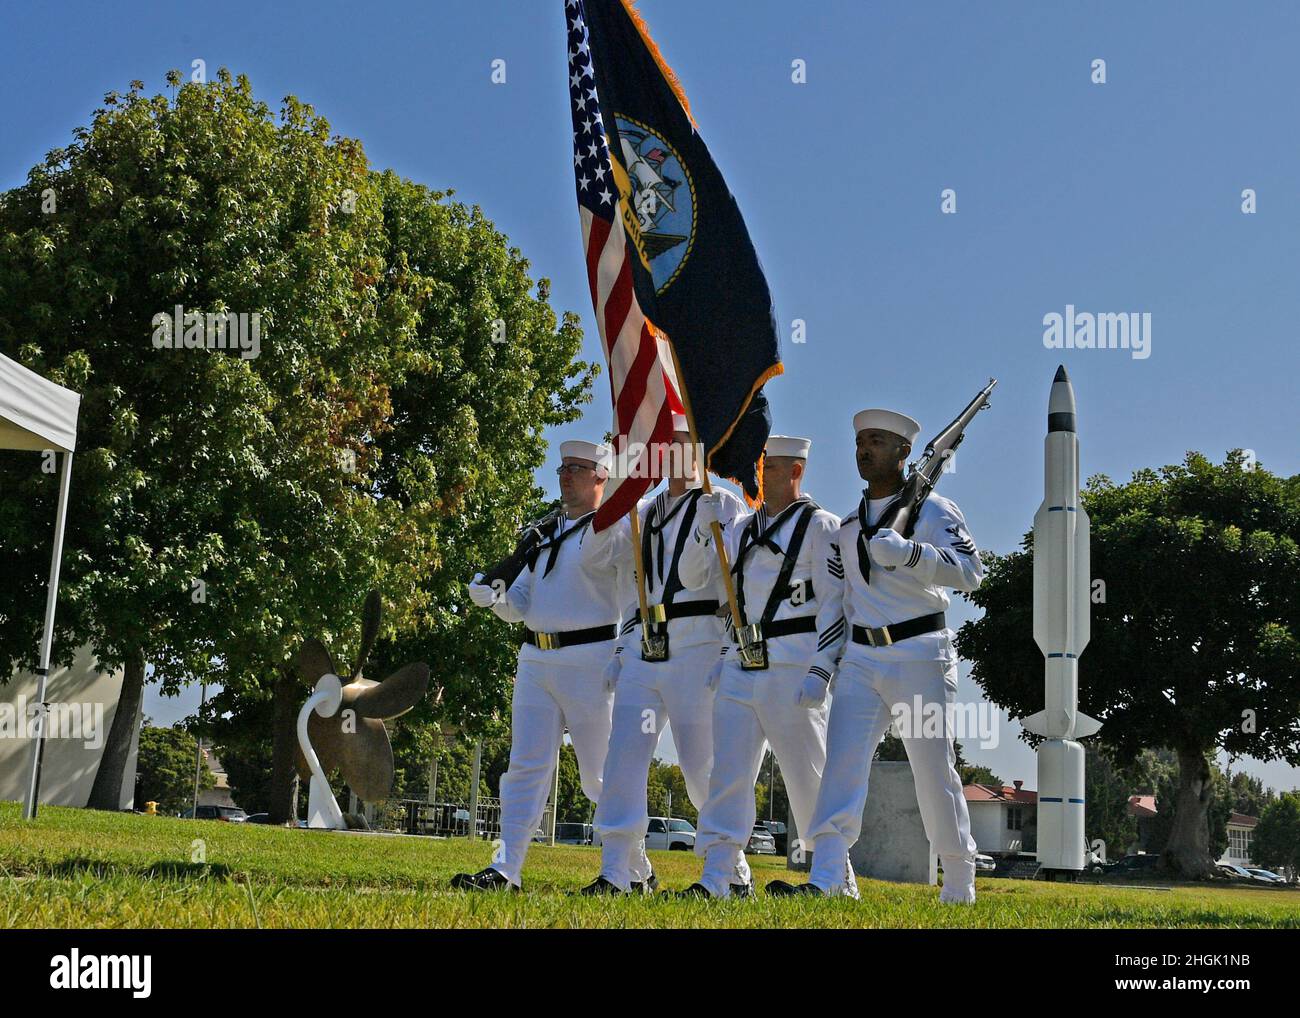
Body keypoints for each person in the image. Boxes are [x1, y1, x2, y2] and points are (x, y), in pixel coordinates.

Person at [767, 409, 983, 904]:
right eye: (861, 440)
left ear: (906, 452)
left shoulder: (935, 511)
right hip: (862, 659)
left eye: (878, 441)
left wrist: (912, 556)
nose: (865, 449)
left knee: (933, 773)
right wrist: (822, 668)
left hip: (920, 654)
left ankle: (957, 880)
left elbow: (971, 571)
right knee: (840, 771)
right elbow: (838, 604)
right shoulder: (846, 527)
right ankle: (826, 879)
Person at [664, 435, 859, 899]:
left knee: (808, 775)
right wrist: (699, 530)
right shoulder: (742, 529)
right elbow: (695, 579)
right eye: (759, 462)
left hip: (794, 662)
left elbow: (836, 605)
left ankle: (834, 874)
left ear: (796, 472)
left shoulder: (822, 527)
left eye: (769, 466)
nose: (759, 471)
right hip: (739, 663)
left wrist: (822, 668)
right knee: (726, 775)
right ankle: (721, 873)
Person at [574, 415, 751, 895]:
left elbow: (733, 575)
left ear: (700, 448)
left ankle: (729, 868)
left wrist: (713, 528)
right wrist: (616, 492)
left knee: (702, 769)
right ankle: (619, 870)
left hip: (700, 642)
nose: (671, 452)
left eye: (680, 443)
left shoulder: (724, 502)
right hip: (644, 646)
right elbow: (612, 569)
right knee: (623, 759)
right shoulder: (643, 511)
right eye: (662, 445)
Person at [451, 440, 635, 892]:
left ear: (600, 477)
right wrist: (493, 597)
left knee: (600, 774)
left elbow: (632, 600)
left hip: (593, 659)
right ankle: (506, 867)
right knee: (526, 766)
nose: (566, 476)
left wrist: (624, 655)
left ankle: (628, 869)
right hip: (536, 657)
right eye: (562, 469)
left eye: (577, 469)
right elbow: (522, 602)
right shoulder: (541, 532)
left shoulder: (612, 531)